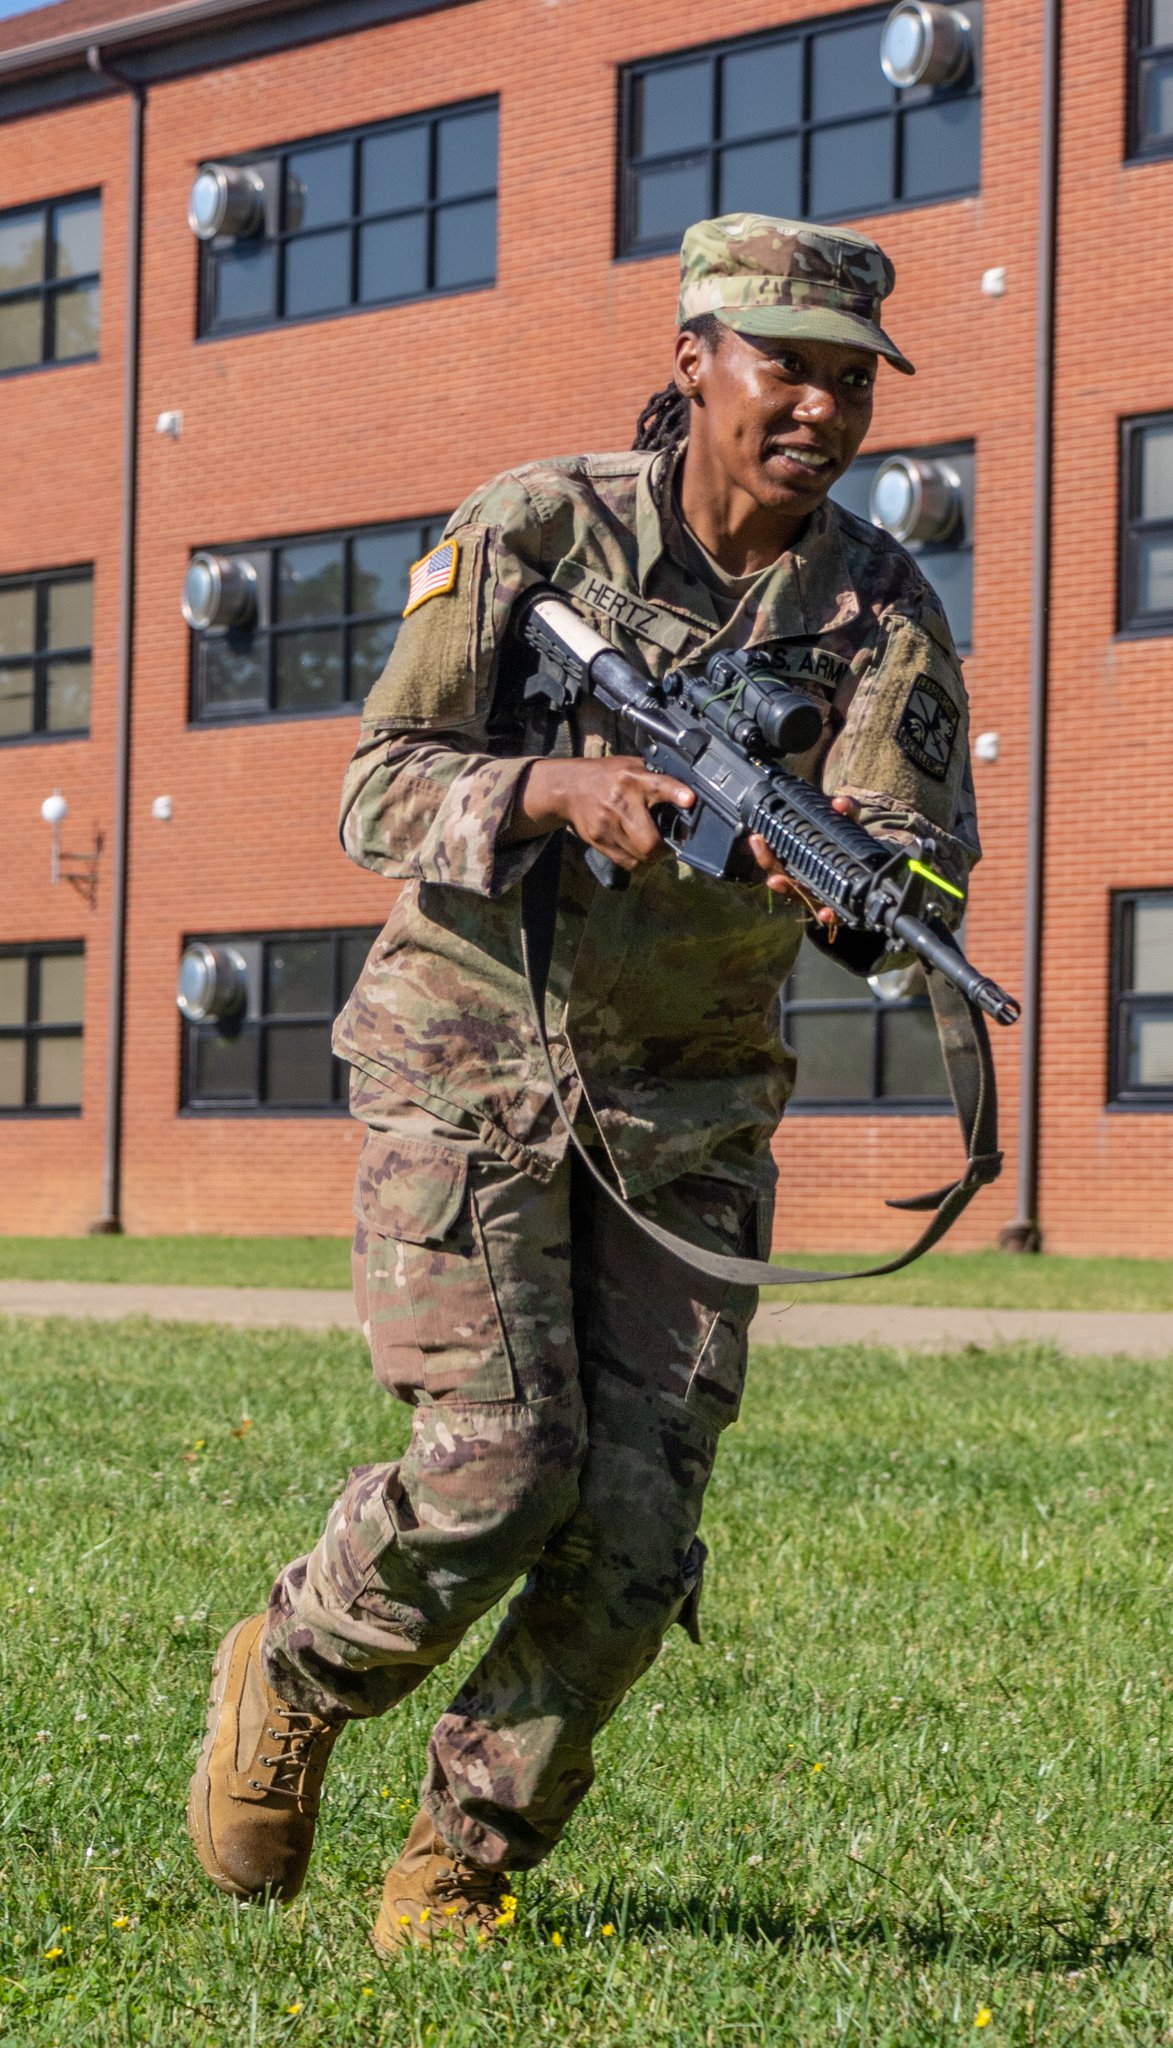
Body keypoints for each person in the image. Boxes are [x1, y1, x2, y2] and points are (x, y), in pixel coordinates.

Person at [187, 212, 978, 1950]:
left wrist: (860, 887)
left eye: (851, 383)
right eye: (786, 368)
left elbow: (912, 848)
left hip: (688, 1104)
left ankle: (460, 1860)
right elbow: (378, 785)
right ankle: (299, 1669)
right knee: (498, 1465)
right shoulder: (538, 526)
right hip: (467, 1063)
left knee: (635, 1525)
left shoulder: (877, 604)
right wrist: (554, 792)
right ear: (695, 358)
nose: (822, 410)